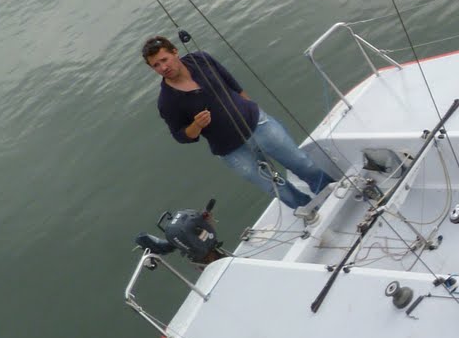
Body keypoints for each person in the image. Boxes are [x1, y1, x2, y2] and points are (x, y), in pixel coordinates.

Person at [142, 36, 336, 215]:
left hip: (259, 125)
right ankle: (311, 210)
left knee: (301, 162)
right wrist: (196, 125)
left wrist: (250, 107)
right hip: (232, 151)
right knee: (276, 186)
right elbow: (180, 135)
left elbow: (231, 82)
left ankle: (330, 194)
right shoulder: (167, 101)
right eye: (156, 66)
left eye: (164, 60)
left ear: (175, 52)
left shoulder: (200, 59)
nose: (163, 67)